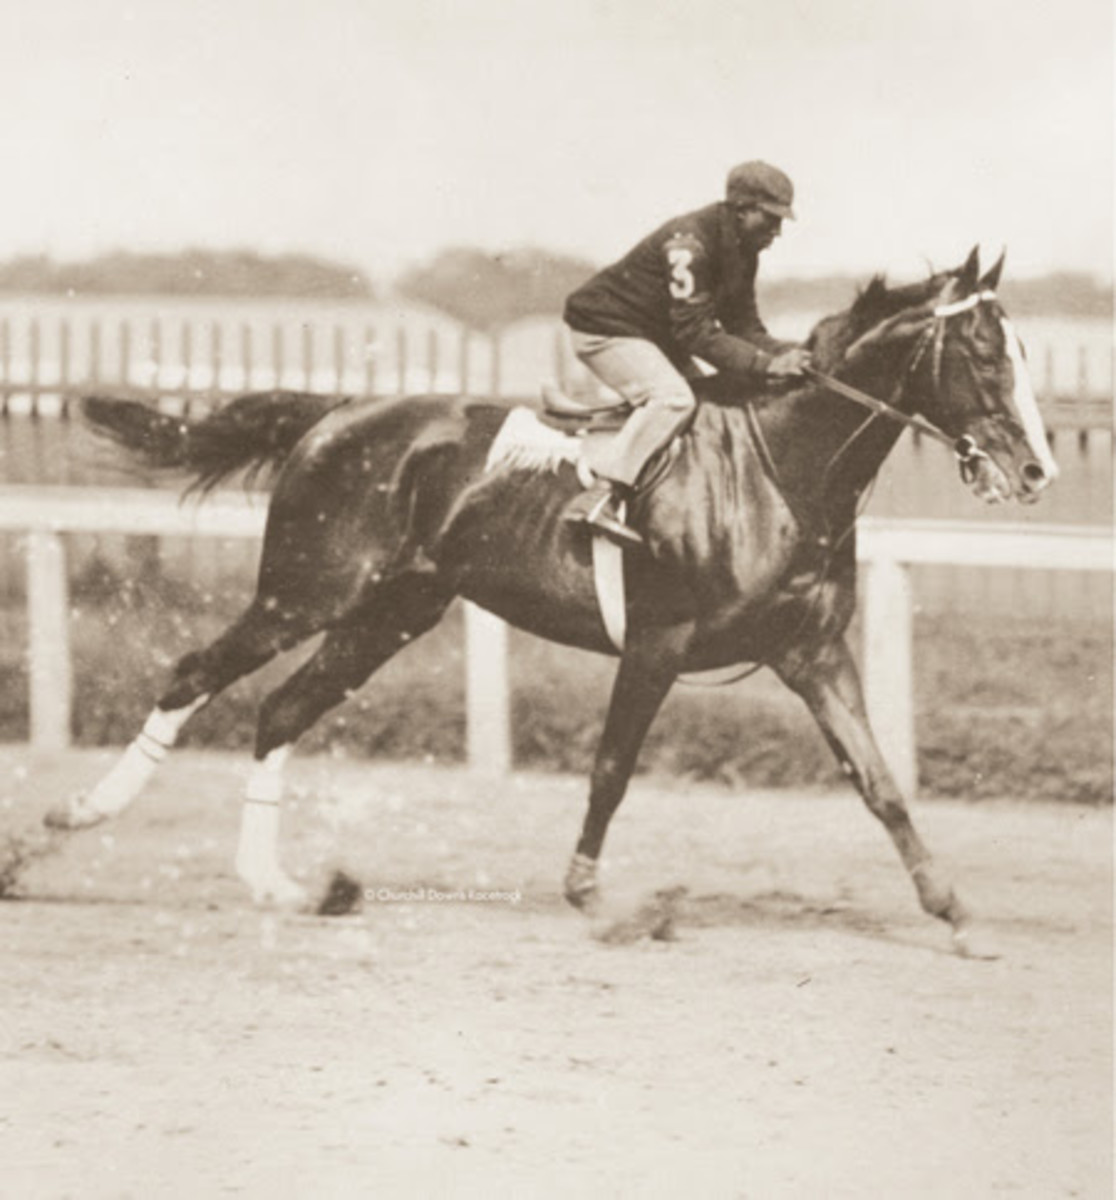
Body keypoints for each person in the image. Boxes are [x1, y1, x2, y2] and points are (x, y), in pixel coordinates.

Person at [561, 160, 813, 545]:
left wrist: (799, 352)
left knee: (712, 405)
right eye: (770, 218)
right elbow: (696, 333)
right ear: (742, 208)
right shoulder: (689, 245)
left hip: (654, 335)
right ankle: (602, 494)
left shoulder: (745, 250)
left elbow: (745, 328)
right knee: (674, 400)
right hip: (604, 330)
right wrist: (767, 365)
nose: (777, 231)